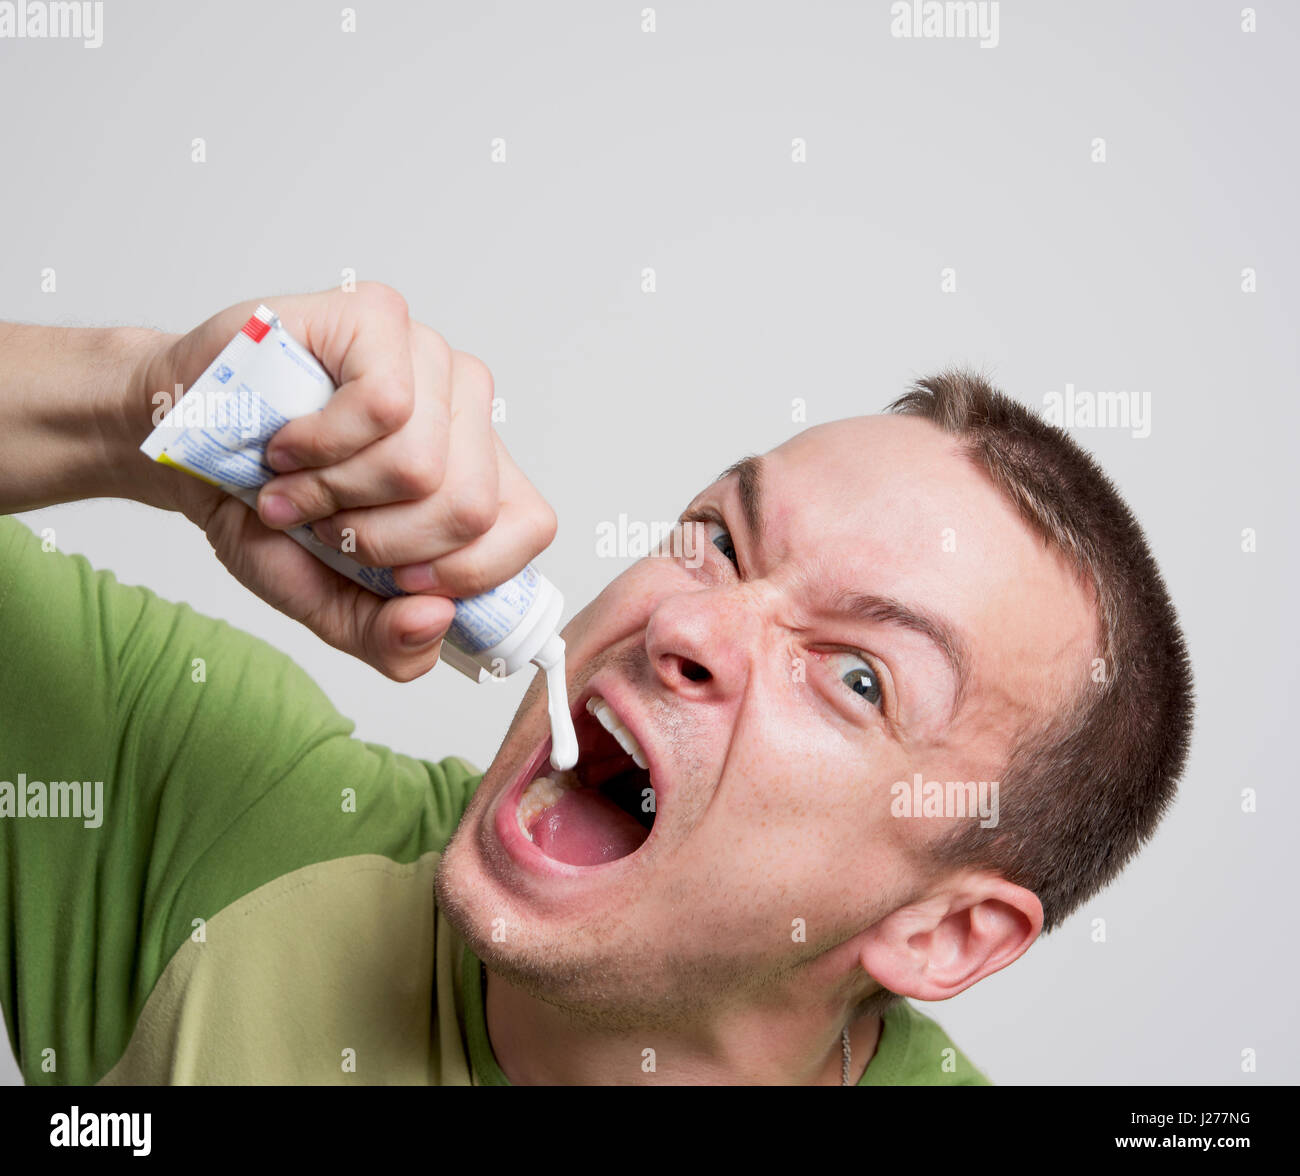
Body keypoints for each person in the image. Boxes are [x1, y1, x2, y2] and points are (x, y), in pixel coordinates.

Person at [0, 285, 1193, 1085]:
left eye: (858, 679)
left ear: (943, 932)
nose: (694, 622)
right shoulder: (252, 837)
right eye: (722, 539)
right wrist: (135, 398)